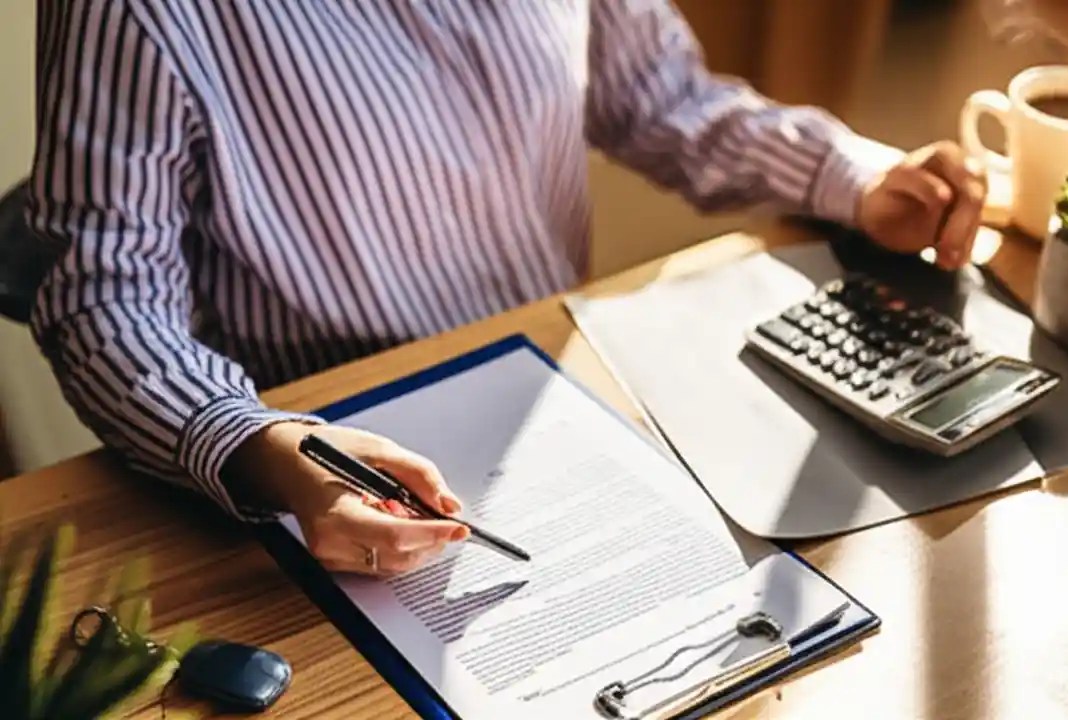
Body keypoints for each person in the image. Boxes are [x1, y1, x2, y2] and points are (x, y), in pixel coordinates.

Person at [27, 1, 986, 576]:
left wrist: (853, 178)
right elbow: (103, 298)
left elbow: (656, 95)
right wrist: (263, 447)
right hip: (333, 480)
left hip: (568, 407)